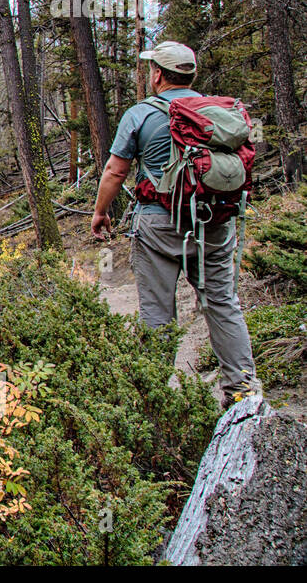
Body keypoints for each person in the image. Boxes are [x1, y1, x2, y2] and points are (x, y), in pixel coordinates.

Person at [91, 41, 259, 407]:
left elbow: (116, 170)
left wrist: (100, 211)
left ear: (158, 75)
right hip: (213, 222)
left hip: (158, 224)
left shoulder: (140, 115)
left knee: (157, 313)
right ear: (190, 74)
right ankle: (243, 392)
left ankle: (154, 403)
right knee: (222, 303)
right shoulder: (216, 112)